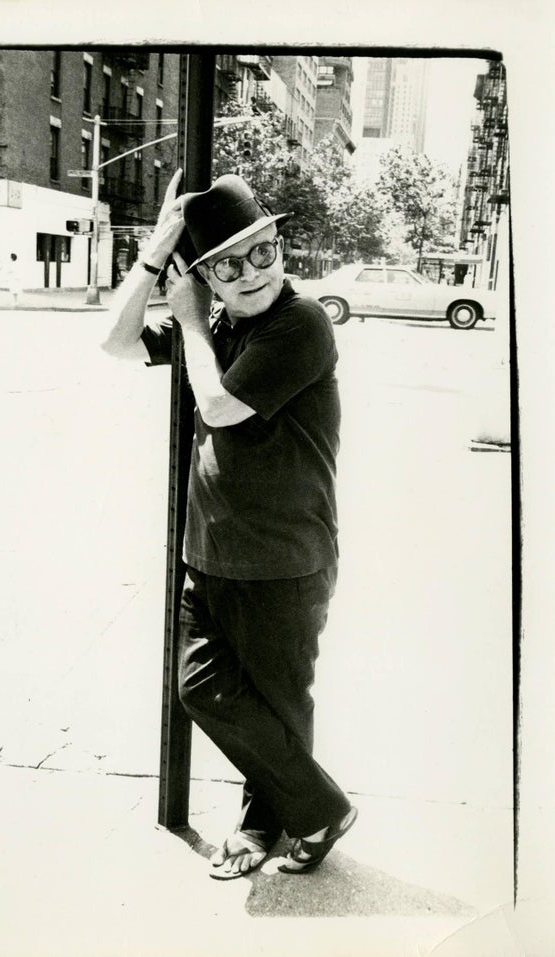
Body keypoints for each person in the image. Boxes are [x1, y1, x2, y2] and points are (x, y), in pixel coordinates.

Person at [101, 170, 357, 880]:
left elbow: (217, 407)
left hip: (284, 556)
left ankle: (268, 823)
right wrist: (156, 253)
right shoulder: (217, 325)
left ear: (280, 245)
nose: (252, 273)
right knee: (201, 687)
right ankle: (319, 808)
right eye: (228, 265)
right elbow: (116, 342)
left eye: (262, 252)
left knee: (279, 703)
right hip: (211, 550)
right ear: (206, 277)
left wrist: (188, 318)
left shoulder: (301, 323)